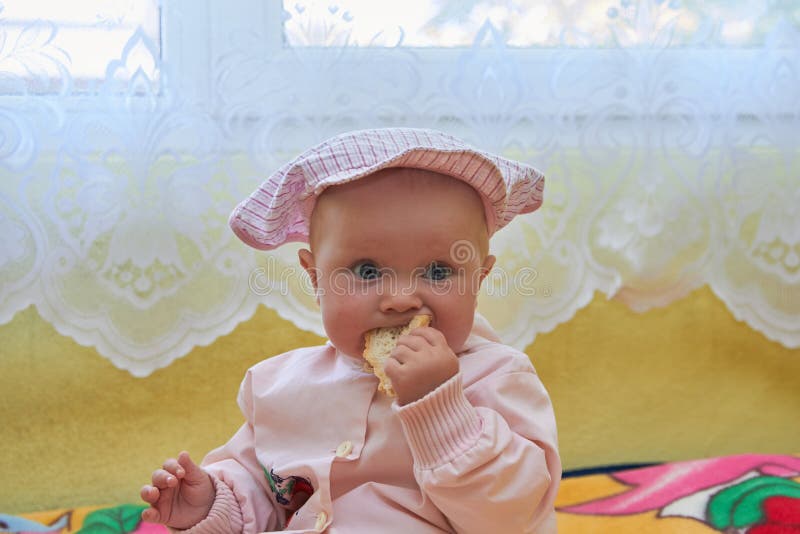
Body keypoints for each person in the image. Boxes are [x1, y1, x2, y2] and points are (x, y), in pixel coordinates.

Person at [140, 128, 561, 533]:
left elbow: (513, 515)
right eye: (367, 270)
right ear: (315, 276)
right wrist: (212, 504)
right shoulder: (279, 388)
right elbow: (266, 490)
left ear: (479, 278)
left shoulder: (497, 378)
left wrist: (441, 407)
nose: (401, 299)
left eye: (438, 271)